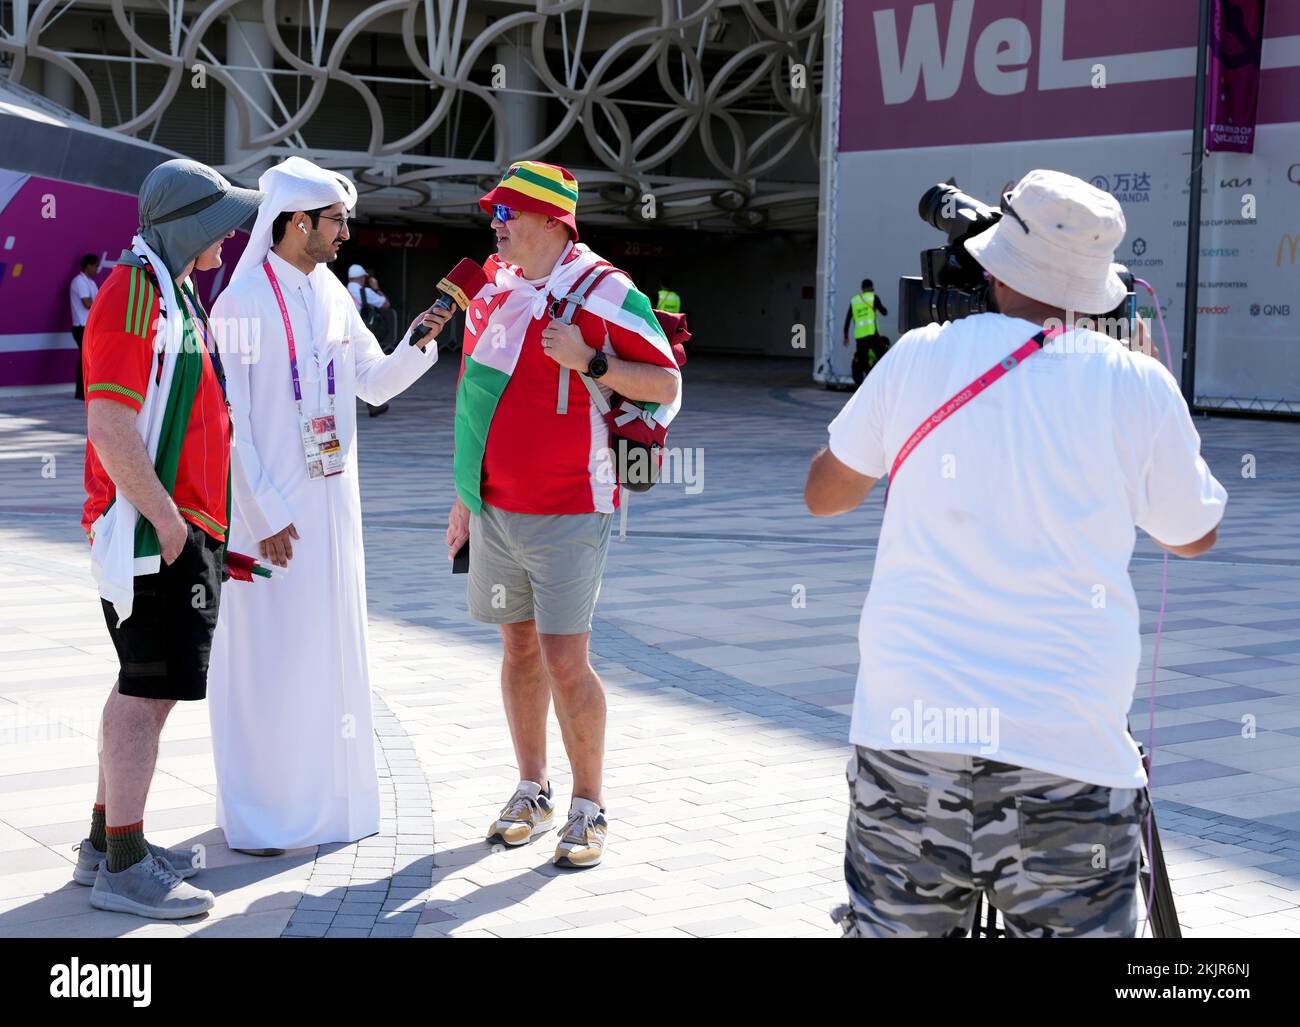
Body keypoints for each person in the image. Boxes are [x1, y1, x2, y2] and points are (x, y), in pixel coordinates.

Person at [804, 169, 1227, 938]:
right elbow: (1194, 533)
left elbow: (824, 493)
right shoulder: (1138, 383)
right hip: (1068, 756)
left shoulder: (920, 355)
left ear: (994, 265)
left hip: (909, 743)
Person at [206, 157, 450, 856]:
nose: (348, 232)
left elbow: (374, 383)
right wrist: (262, 518)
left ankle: (327, 804)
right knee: (271, 663)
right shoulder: (242, 300)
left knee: (328, 656)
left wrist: (419, 341)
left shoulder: (337, 295)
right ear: (298, 222)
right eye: (338, 220)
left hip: (334, 510)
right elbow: (231, 423)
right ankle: (267, 812)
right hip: (273, 523)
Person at [445, 160, 681, 868]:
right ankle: (531, 788)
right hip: (494, 508)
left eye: (508, 212)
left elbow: (665, 381)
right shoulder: (499, 286)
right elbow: (472, 394)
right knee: (516, 649)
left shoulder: (606, 291)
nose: (497, 224)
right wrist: (463, 494)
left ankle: (589, 804)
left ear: (553, 220)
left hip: (572, 506)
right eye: (494, 213)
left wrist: (592, 363)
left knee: (564, 659)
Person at [77, 159, 263, 918]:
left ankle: (107, 841)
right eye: (220, 218)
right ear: (189, 224)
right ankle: (122, 864)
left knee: (145, 686)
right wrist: (170, 523)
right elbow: (110, 425)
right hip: (156, 533)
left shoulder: (172, 289)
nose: (231, 233)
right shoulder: (136, 292)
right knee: (146, 688)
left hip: (178, 529)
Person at [346, 264, 394, 412]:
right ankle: (375, 404)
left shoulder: (340, 290)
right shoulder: (365, 291)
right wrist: (376, 288)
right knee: (370, 369)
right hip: (361, 337)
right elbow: (386, 304)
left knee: (345, 370)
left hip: (342, 338)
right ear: (362, 278)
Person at [842, 278, 889, 386]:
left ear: (862, 288)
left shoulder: (854, 301)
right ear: (871, 287)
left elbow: (847, 319)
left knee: (862, 361)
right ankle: (879, 379)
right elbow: (884, 312)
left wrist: (845, 336)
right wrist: (877, 308)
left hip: (860, 337)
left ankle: (868, 378)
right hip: (872, 335)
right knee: (884, 357)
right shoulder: (873, 298)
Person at [69, 254, 100, 399]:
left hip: (89, 327)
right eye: (95, 266)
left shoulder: (91, 283)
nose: (97, 269)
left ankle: (86, 390)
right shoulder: (78, 281)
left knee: (89, 359)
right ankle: (81, 392)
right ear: (88, 266)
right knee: (84, 359)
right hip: (81, 326)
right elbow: (87, 303)